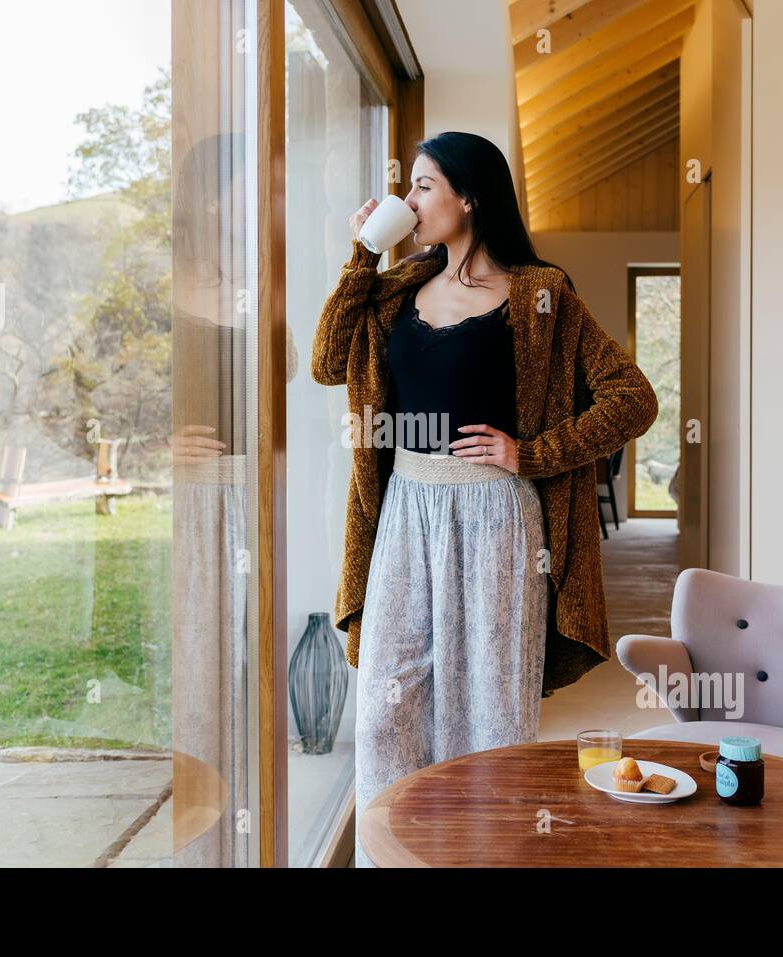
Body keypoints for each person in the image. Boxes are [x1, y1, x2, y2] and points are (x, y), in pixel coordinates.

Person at [311, 131, 659, 867]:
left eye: (424, 187)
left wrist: (529, 453)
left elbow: (634, 397)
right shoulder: (396, 288)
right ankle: (393, 857)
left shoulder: (542, 294)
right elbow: (325, 361)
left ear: (470, 197)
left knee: (489, 710)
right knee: (385, 704)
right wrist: (364, 252)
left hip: (500, 517)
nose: (410, 201)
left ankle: (487, 856)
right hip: (406, 508)